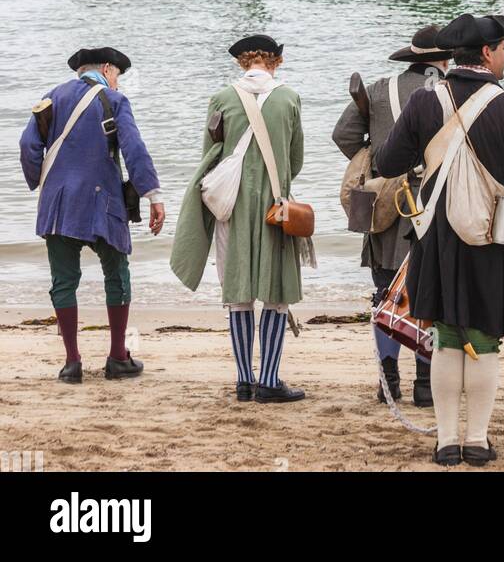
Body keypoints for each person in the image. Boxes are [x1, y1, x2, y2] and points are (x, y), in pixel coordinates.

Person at [377, 14, 504, 467]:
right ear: (488, 54)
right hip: (497, 237)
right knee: (485, 336)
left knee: (447, 335)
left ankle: (445, 441)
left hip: (436, 236)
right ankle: (476, 440)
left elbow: (387, 161)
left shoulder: (422, 102)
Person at [171, 34, 307, 403]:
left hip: (230, 206)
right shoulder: (289, 98)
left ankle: (244, 381)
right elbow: (295, 161)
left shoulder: (221, 98)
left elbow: (209, 154)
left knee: (239, 295)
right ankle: (269, 380)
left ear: (242, 62)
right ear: (275, 60)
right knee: (276, 294)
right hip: (274, 209)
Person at [19, 46, 164, 383]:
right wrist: (152, 195)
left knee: (63, 281)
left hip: (58, 207)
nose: (117, 83)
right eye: (117, 76)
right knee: (117, 275)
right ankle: (117, 357)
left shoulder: (51, 98)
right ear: (107, 69)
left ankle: (72, 363)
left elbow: (28, 147)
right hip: (104, 204)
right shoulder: (114, 101)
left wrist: (42, 181)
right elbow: (134, 150)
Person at [331, 24, 452, 407]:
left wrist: (375, 153)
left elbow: (343, 135)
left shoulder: (380, 90)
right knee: (429, 295)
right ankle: (424, 385)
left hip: (385, 202)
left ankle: (388, 380)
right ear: (441, 59)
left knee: (385, 293)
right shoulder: (449, 94)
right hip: (433, 203)